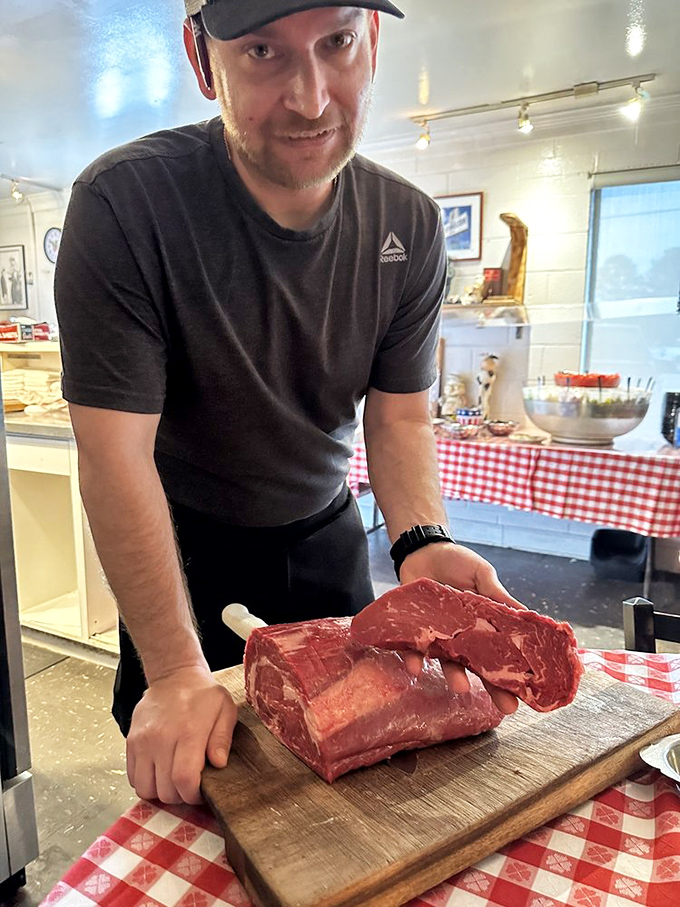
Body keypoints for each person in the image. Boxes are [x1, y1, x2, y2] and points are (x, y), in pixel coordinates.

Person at [55, 0, 523, 807]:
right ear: (205, 63)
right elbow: (113, 452)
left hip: (327, 543)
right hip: (182, 554)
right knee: (201, 806)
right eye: (264, 51)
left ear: (372, 42)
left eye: (336, 42)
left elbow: (399, 416)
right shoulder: (124, 205)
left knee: (361, 792)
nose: (310, 98)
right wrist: (170, 669)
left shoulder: (408, 226)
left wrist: (420, 538)